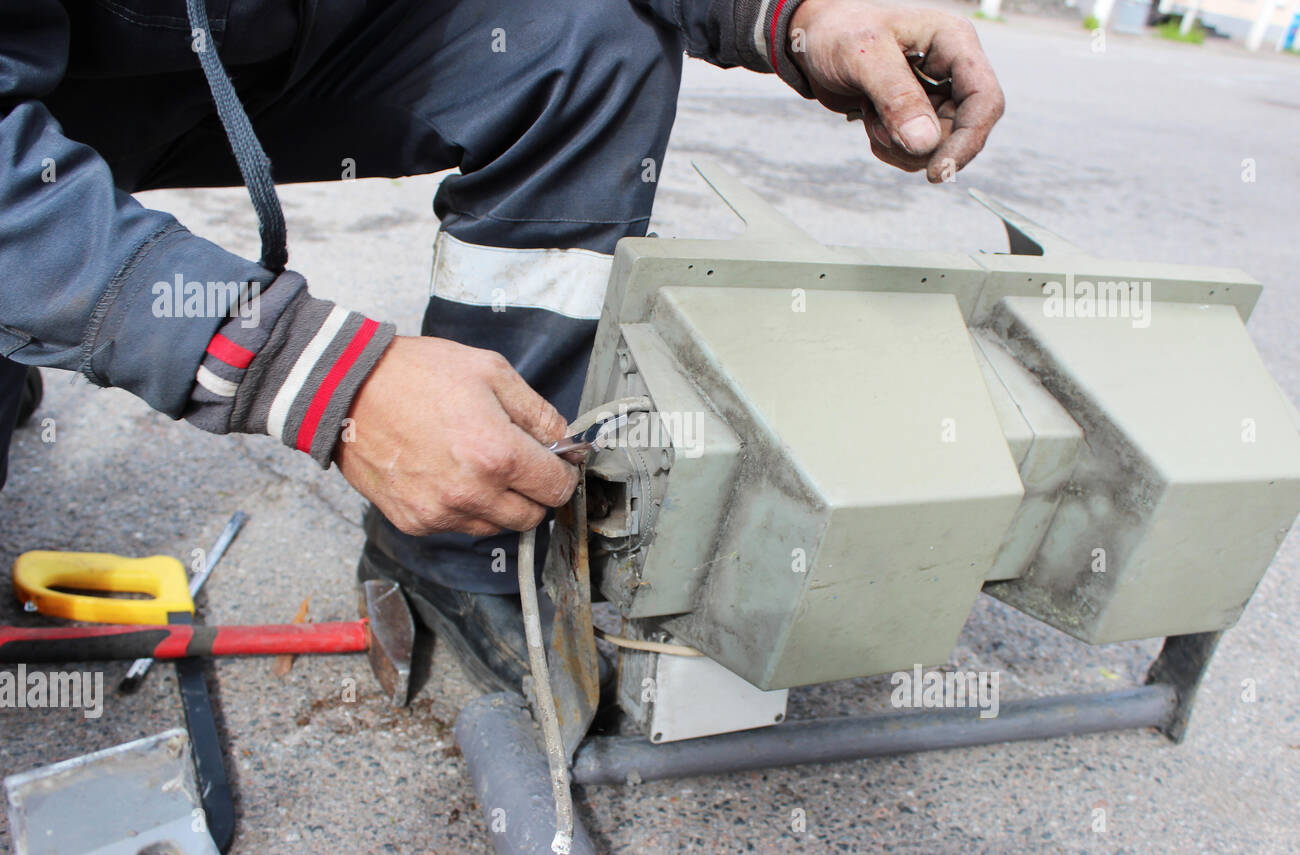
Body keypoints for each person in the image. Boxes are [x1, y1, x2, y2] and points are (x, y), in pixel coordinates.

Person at [0, 0, 1004, 692]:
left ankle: (464, 541)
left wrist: (794, 13)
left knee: (587, 29)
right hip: (46, 86)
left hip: (275, 44)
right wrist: (314, 375)